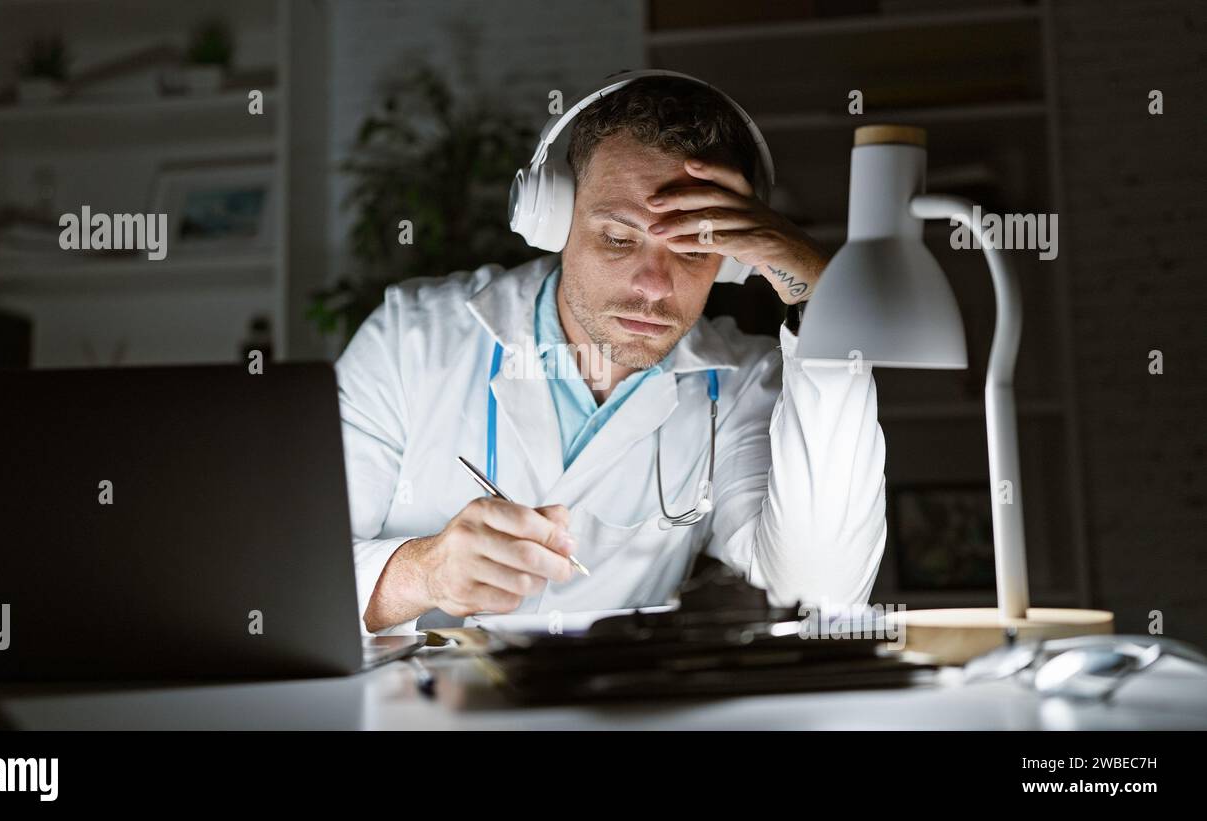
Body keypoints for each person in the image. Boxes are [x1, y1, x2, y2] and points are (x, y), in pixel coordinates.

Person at [338, 75, 887, 635]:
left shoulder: (741, 383)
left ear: (736, 257)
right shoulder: (410, 337)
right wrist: (425, 573)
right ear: (552, 219)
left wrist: (821, 301)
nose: (653, 285)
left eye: (695, 248)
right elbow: (288, 580)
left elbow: (819, 597)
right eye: (619, 240)